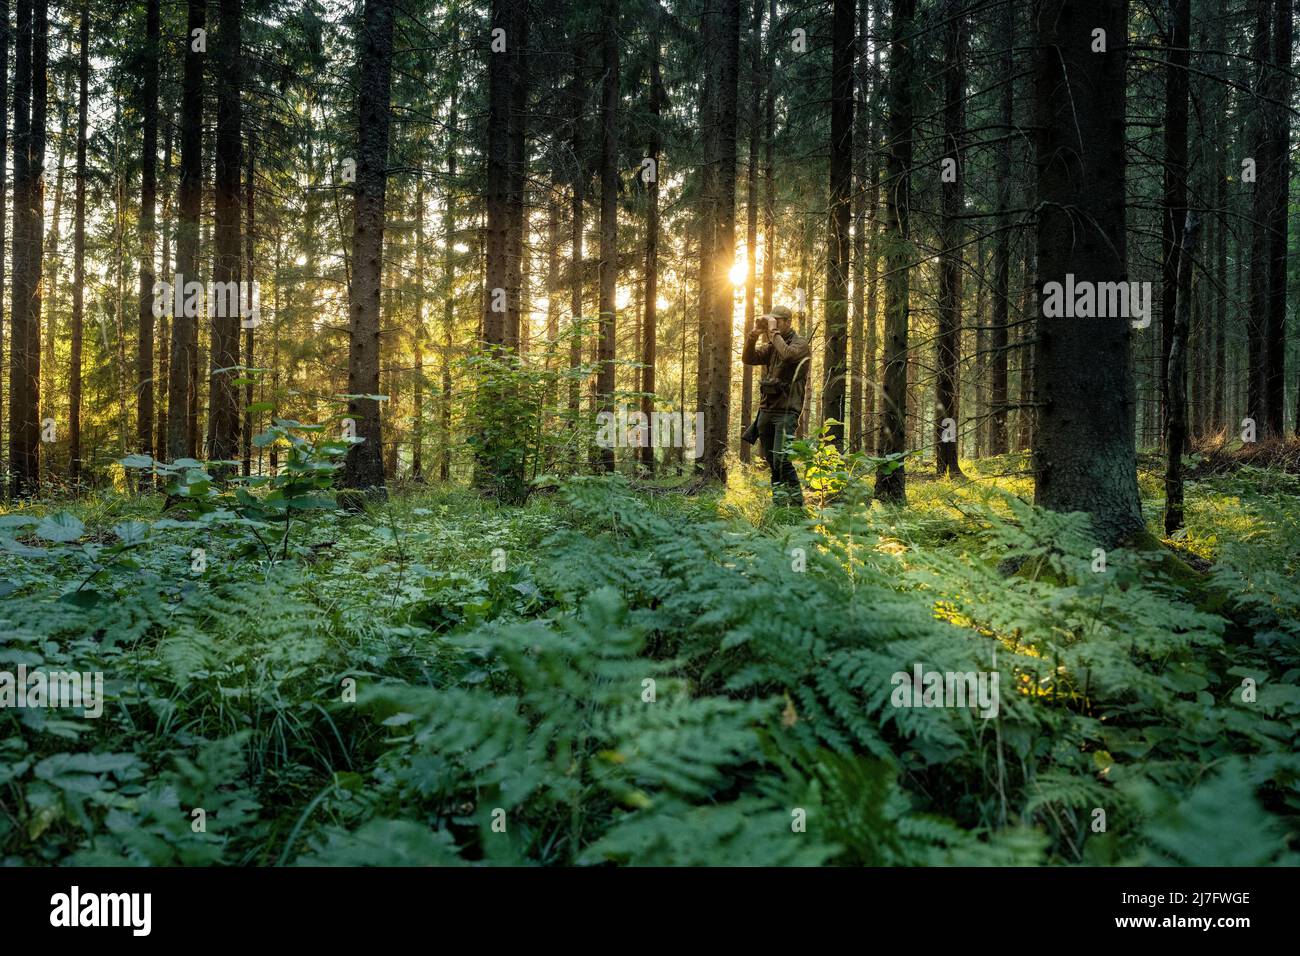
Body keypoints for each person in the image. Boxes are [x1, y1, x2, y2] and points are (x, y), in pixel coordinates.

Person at [741, 305, 810, 507]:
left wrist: (772, 333)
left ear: (788, 322)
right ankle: (779, 503)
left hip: (786, 412)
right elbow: (749, 358)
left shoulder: (800, 344)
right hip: (766, 411)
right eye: (773, 321)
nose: (774, 325)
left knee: (782, 459)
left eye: (777, 321)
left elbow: (788, 355)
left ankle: (797, 504)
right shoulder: (772, 345)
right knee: (771, 459)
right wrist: (753, 336)